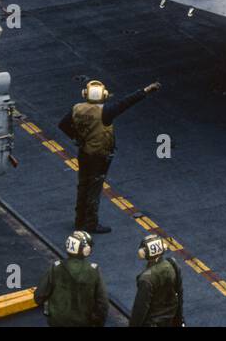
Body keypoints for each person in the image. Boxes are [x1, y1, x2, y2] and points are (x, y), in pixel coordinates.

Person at [58, 79, 160, 234]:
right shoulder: (105, 112)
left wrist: (77, 138)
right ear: (103, 95)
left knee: (83, 186)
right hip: (99, 156)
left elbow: (63, 125)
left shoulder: (77, 109)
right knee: (94, 188)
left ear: (85, 94)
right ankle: (91, 223)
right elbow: (125, 103)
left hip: (84, 152)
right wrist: (145, 91)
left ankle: (79, 220)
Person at [33, 231, 108, 327]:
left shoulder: (55, 268)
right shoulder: (93, 271)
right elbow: (103, 304)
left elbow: (38, 297)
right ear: (86, 250)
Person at [130, 233, 185, 327]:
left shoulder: (146, 278)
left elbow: (140, 309)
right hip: (171, 319)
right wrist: (179, 321)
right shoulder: (172, 265)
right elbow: (179, 295)